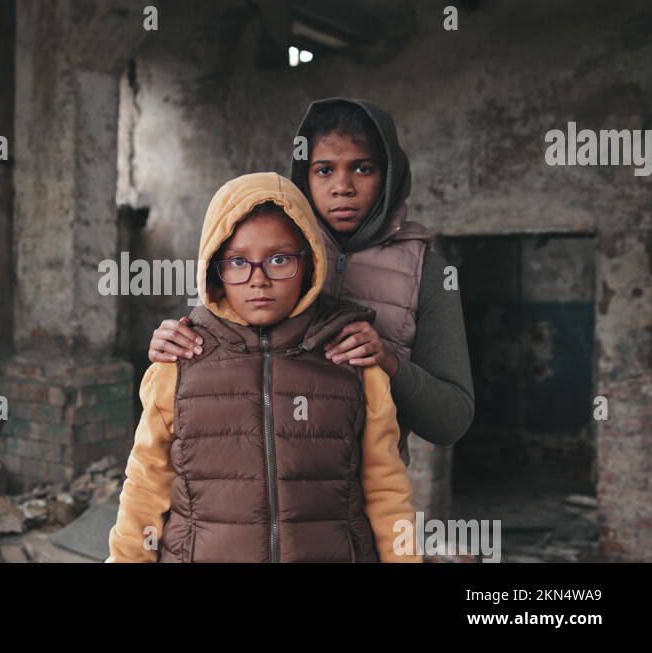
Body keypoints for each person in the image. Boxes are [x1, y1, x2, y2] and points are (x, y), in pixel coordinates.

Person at [106, 172, 421, 563]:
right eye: (238, 261)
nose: (259, 279)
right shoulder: (180, 363)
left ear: (309, 262)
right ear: (214, 269)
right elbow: (144, 486)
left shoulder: (352, 360)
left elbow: (386, 489)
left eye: (279, 258)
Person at [146, 98, 474, 464]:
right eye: (323, 170)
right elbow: (208, 344)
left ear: (390, 175)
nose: (342, 187)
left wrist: (388, 361)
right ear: (304, 176)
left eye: (363, 169)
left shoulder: (428, 272)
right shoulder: (268, 247)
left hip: (364, 498)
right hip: (252, 492)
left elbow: (451, 422)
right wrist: (173, 344)